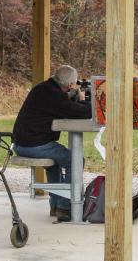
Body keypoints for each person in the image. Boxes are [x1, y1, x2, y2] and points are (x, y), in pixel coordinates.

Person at [12, 64, 91, 220]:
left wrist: (74, 99)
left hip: (20, 144)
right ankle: (65, 207)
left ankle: (55, 206)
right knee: (74, 160)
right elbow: (80, 112)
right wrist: (83, 99)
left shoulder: (42, 88)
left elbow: (65, 107)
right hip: (34, 146)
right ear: (69, 85)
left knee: (54, 164)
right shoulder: (55, 95)